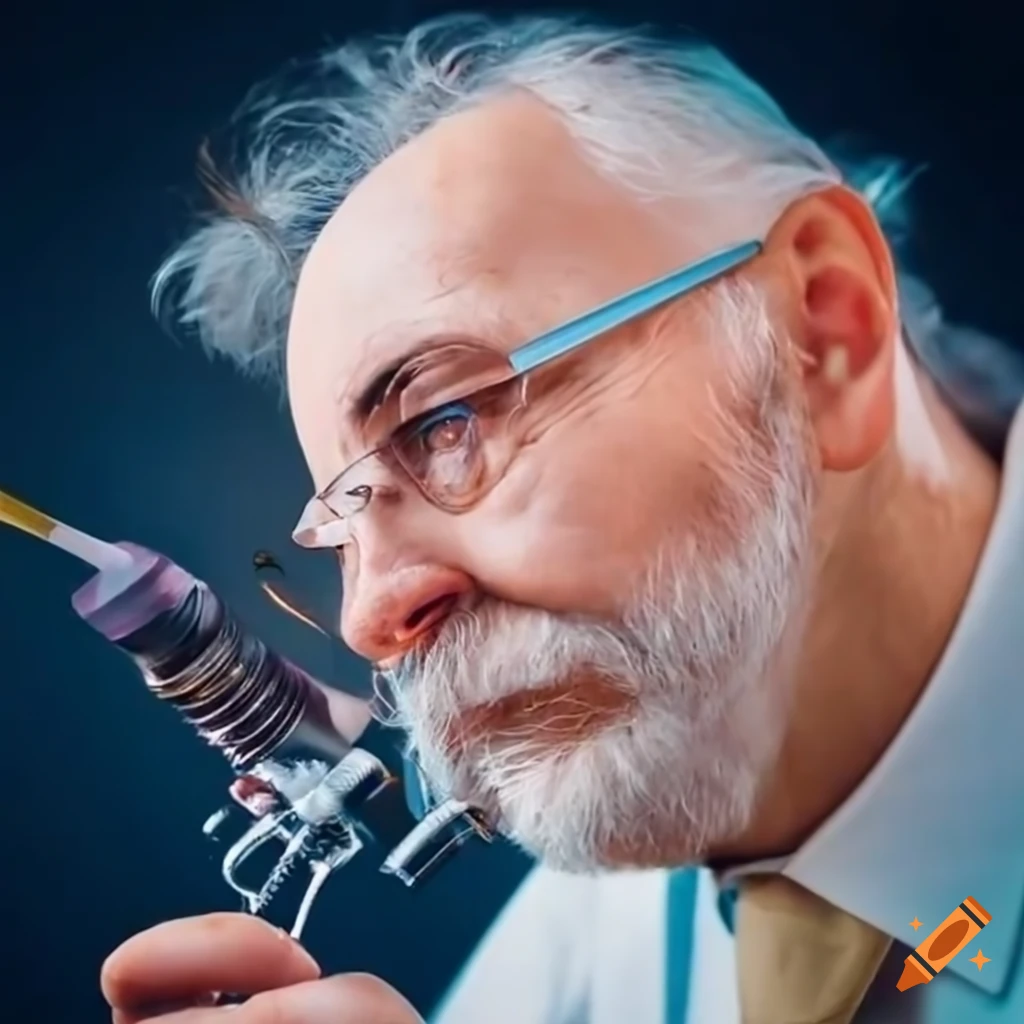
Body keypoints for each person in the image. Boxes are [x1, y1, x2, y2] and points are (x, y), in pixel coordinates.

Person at [99, 14, 1024, 1024]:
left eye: (443, 425)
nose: (371, 618)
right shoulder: (569, 966)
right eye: (348, 525)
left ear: (819, 334)